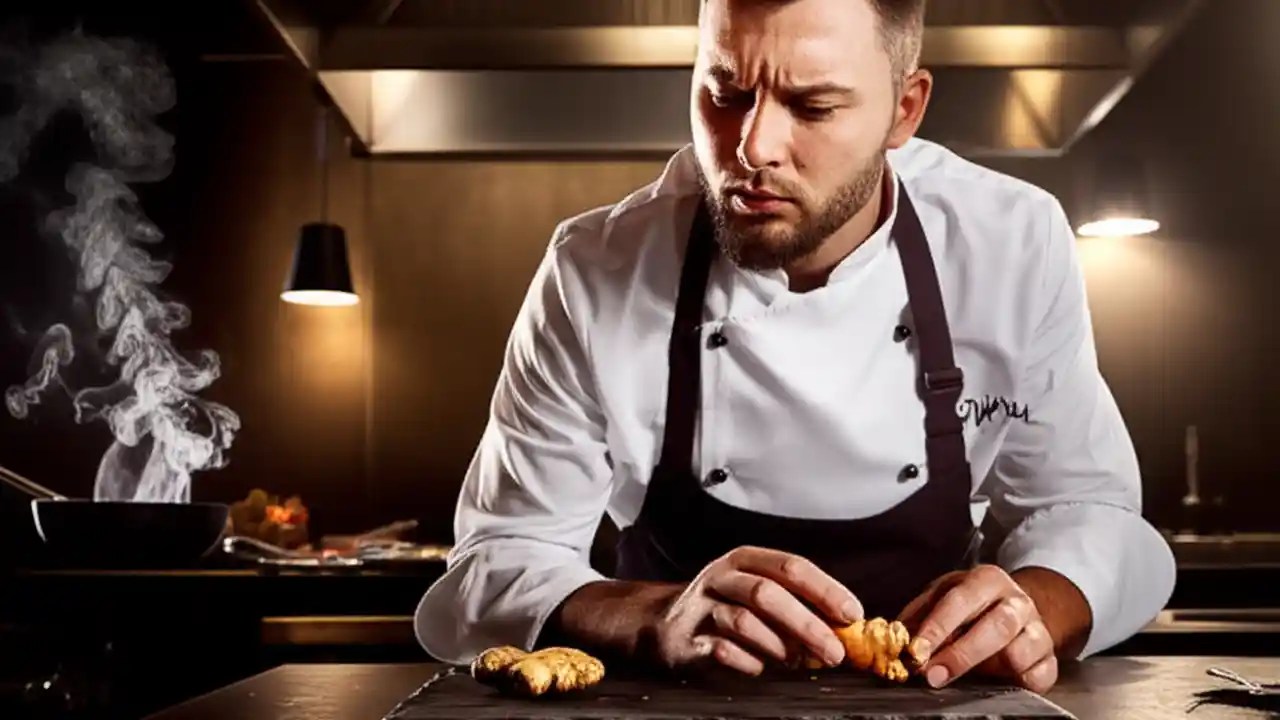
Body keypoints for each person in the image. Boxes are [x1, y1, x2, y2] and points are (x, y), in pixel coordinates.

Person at [414, 0, 1176, 695]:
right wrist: (651, 614)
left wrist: (1036, 605)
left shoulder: (1008, 244)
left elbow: (1090, 509)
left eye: (811, 105)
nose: (752, 147)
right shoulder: (596, 268)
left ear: (904, 111)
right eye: (724, 93)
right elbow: (496, 562)